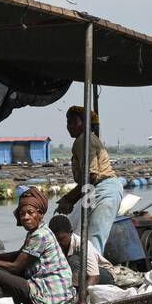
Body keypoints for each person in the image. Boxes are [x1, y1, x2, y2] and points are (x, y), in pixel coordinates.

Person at [0, 186, 76, 304]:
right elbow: (20, 254)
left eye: (30, 213)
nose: (25, 217)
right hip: (52, 290)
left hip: (50, 295)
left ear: (40, 214)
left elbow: (16, 266)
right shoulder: (38, 230)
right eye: (22, 214)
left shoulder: (39, 235)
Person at [55, 105, 124, 256]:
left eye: (74, 122)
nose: (70, 127)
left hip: (103, 190)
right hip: (94, 190)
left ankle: (92, 274)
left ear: (85, 123)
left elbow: (91, 176)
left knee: (93, 240)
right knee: (83, 234)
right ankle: (86, 267)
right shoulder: (86, 139)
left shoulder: (83, 140)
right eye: (68, 123)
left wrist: (68, 199)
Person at [48, 214, 115, 286]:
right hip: (82, 275)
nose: (58, 243)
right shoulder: (52, 245)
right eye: (55, 239)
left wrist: (80, 295)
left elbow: (94, 277)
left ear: (71, 232)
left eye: (62, 239)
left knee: (73, 260)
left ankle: (76, 290)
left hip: (103, 275)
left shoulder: (83, 244)